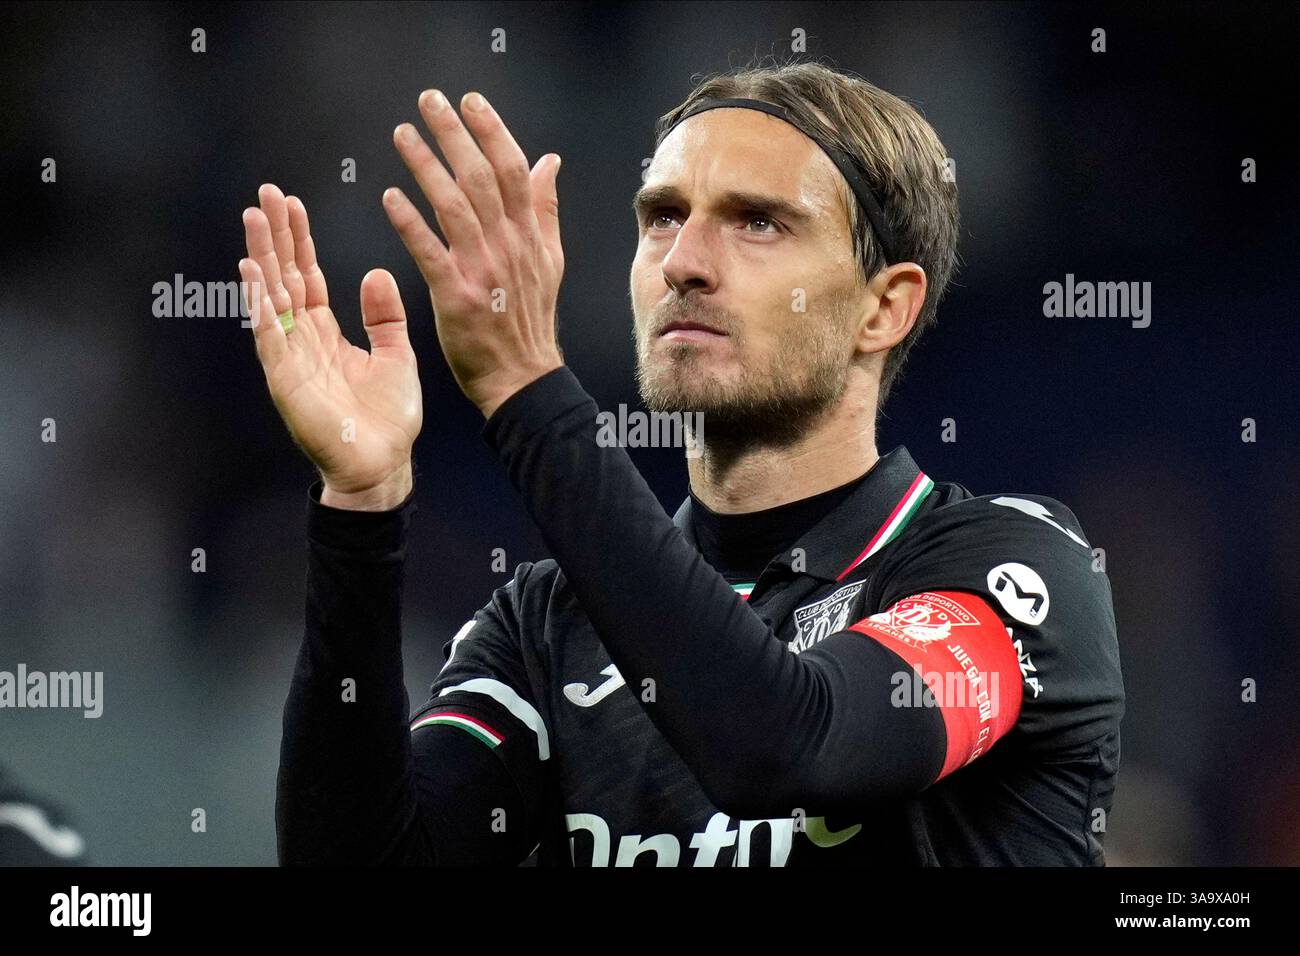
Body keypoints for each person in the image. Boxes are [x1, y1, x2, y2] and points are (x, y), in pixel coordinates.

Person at [243, 61, 1123, 866]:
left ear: (882, 308)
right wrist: (363, 504)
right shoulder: (548, 625)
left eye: (759, 223)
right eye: (663, 216)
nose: (683, 263)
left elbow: (788, 746)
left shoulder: (1011, 566)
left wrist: (525, 387)